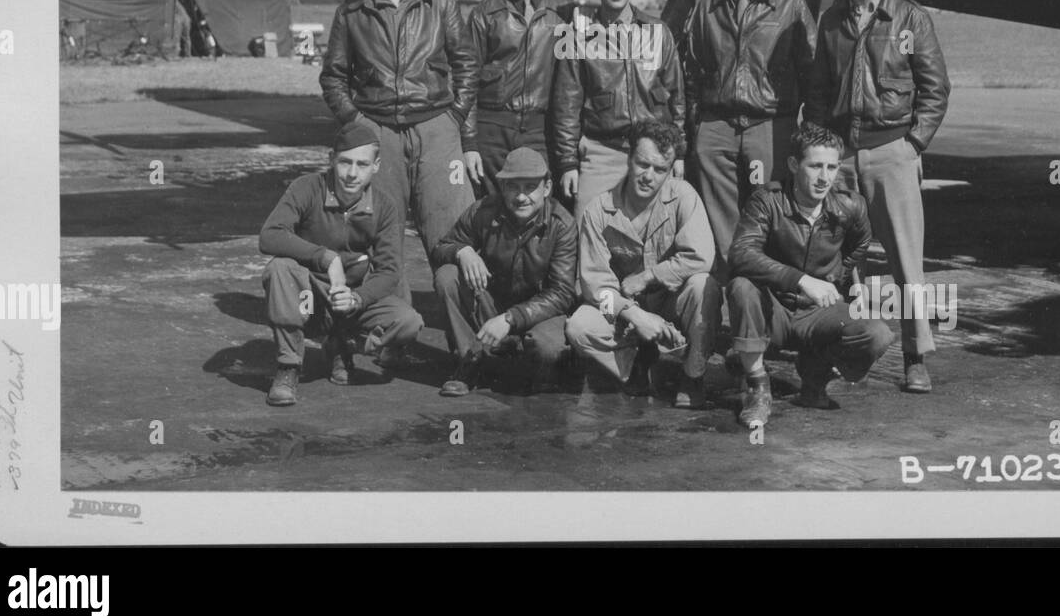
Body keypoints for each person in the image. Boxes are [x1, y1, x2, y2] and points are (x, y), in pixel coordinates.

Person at [803, 0, 949, 393]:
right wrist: (825, 148)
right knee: (836, 258)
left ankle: (915, 356)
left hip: (892, 152)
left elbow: (935, 88)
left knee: (906, 259)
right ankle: (841, 346)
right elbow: (820, 91)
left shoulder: (910, 18)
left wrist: (914, 144)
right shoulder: (831, 20)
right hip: (842, 153)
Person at [320, 0, 479, 297]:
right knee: (382, 238)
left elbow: (467, 64)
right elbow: (333, 76)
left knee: (453, 233)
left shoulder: (438, 2)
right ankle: (392, 337)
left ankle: (469, 341)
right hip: (378, 132)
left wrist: (454, 115)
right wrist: (357, 122)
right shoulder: (352, 11)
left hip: (437, 127)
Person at [727, 123, 895, 428]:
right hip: (773, 309)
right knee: (741, 286)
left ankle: (816, 370)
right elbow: (741, 254)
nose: (824, 177)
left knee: (878, 334)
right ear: (794, 164)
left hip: (817, 312)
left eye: (832, 167)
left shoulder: (850, 206)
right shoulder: (767, 200)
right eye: (815, 166)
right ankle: (757, 385)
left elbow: (859, 247)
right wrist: (801, 280)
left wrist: (834, 280)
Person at [681, 0, 816, 279]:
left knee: (770, 215)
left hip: (769, 126)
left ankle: (770, 300)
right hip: (717, 127)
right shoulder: (707, 5)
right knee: (721, 222)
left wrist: (807, 137)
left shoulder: (790, 4)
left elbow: (812, 73)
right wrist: (696, 131)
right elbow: (691, 72)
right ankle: (734, 298)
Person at [259, 119, 424, 407]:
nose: (351, 173)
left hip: (350, 298)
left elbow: (388, 270)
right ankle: (288, 366)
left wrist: (358, 298)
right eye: (344, 162)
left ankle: (345, 346)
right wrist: (326, 258)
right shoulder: (307, 188)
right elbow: (270, 235)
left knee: (409, 321)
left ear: (376, 166)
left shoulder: (384, 206)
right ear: (331, 159)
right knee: (280, 269)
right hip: (310, 298)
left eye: (362, 164)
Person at [566, 121, 720, 408]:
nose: (649, 176)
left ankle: (692, 375)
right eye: (642, 164)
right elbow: (596, 287)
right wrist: (635, 316)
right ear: (628, 158)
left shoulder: (683, 195)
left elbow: (700, 256)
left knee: (704, 286)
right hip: (623, 309)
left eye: (660, 169)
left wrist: (649, 276)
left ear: (671, 168)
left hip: (669, 301)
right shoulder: (598, 210)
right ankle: (634, 363)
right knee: (579, 325)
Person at [551, 0, 686, 216]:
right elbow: (566, 105)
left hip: (653, 153)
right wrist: (568, 164)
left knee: (654, 237)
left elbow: (677, 99)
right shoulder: (577, 36)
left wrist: (679, 152)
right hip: (602, 152)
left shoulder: (658, 32)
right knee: (588, 230)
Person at [430, 147, 577, 396]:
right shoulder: (482, 211)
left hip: (539, 312)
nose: (521, 197)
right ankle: (471, 360)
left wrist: (510, 319)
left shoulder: (562, 225)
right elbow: (440, 249)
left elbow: (562, 293)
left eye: (530, 187)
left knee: (546, 348)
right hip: (493, 305)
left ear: (547, 188)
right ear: (502, 187)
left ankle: (518, 364)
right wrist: (462, 251)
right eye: (513, 187)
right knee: (447, 276)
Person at [461, 0, 575, 192]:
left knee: (537, 207)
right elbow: (466, 81)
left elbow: (571, 84)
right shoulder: (484, 13)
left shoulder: (563, 11)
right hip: (492, 130)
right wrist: (469, 142)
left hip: (540, 130)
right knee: (491, 209)